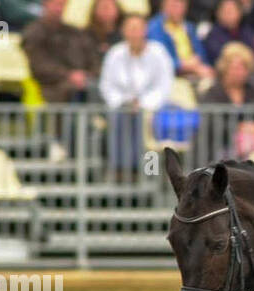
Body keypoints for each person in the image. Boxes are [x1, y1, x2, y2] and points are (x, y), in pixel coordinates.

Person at [100, 13, 174, 179]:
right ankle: (120, 170)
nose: (134, 33)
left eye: (137, 29)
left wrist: (144, 104)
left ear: (145, 31)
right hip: (122, 108)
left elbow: (164, 85)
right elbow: (107, 85)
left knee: (148, 127)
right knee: (119, 118)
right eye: (130, 29)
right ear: (123, 31)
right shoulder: (115, 53)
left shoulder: (158, 52)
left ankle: (149, 173)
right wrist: (123, 102)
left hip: (153, 108)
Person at [22, 0, 102, 103]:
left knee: (98, 87)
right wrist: (68, 75)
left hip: (83, 81)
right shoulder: (34, 32)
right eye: (55, 4)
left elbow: (92, 59)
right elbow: (38, 64)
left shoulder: (75, 32)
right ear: (45, 5)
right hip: (48, 84)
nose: (59, 9)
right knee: (69, 90)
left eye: (62, 5)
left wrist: (86, 75)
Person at [148, 0, 213, 84]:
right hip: (170, 77)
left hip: (194, 73)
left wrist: (200, 66)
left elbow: (201, 54)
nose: (177, 8)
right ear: (164, 5)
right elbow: (158, 60)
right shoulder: (154, 28)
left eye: (181, 4)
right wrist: (182, 65)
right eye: (173, 4)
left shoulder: (189, 27)